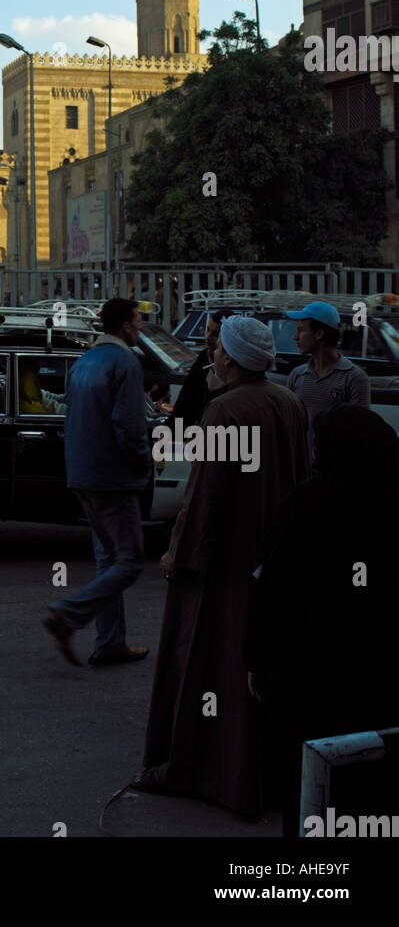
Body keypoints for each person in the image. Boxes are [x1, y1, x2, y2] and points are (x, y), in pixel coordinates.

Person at [134, 315, 310, 816]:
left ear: (229, 357)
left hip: (225, 565)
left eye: (217, 350)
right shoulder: (289, 402)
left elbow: (207, 495)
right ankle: (261, 776)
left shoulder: (225, 410)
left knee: (207, 666)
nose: (213, 356)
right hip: (271, 559)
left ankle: (202, 772)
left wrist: (179, 552)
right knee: (260, 670)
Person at [244, 405, 399, 836]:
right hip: (380, 675)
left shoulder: (306, 504)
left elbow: (271, 587)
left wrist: (257, 659)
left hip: (311, 675)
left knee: (311, 783)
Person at [43, 298, 151, 668]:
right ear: (124, 326)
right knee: (131, 561)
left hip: (83, 474)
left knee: (109, 560)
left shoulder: (83, 363)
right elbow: (130, 428)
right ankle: (68, 614)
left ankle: (110, 643)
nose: (140, 329)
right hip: (113, 478)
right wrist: (144, 464)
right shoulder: (126, 363)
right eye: (138, 322)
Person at [285, 301, 371, 458]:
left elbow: (362, 433)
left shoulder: (354, 378)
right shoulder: (297, 375)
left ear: (319, 334)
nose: (295, 337)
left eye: (300, 330)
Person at [170, 307, 234, 426]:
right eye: (207, 330)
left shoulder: (237, 365)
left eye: (215, 333)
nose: (208, 337)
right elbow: (186, 399)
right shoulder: (204, 357)